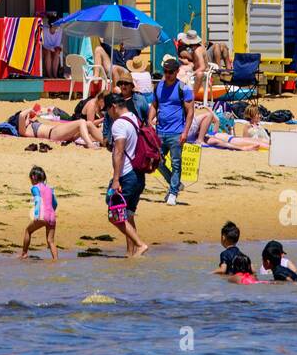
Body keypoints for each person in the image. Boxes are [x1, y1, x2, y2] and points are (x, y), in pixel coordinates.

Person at [106, 93, 149, 258]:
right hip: (139, 174)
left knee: (114, 214)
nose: (108, 115)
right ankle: (131, 254)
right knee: (128, 215)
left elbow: (119, 152)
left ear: (114, 107)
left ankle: (140, 244)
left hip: (126, 175)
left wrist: (116, 179)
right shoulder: (134, 118)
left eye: (108, 111)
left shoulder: (119, 124)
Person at [150, 55, 193, 207]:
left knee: (176, 164)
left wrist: (185, 132)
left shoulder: (184, 88)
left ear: (176, 72)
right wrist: (149, 122)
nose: (167, 74)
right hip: (160, 132)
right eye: (166, 71)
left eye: (170, 72)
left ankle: (173, 193)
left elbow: (190, 112)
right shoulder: (158, 86)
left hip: (176, 132)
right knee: (156, 161)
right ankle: (174, 183)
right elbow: (154, 105)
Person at [20, 165, 58, 260]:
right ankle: (55, 260)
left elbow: (37, 200)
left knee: (28, 231)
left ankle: (24, 254)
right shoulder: (50, 189)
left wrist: (36, 214)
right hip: (52, 216)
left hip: (42, 215)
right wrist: (51, 212)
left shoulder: (35, 188)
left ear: (33, 177)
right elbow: (55, 203)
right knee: (50, 241)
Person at [17, 108, 100, 146]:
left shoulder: (30, 125)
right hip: (54, 134)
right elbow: (21, 115)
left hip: (58, 132)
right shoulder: (25, 131)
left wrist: (30, 114)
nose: (28, 118)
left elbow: (24, 116)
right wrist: (29, 110)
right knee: (81, 122)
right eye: (26, 117)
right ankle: (90, 145)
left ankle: (106, 142)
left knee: (88, 123)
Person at [41, 11, 64, 78]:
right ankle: (50, 75)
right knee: (48, 52)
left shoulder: (60, 31)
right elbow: (43, 44)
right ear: (52, 24)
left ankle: (55, 74)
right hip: (45, 48)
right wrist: (51, 49)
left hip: (53, 48)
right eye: (58, 24)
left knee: (57, 52)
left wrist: (55, 49)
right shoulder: (44, 30)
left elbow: (57, 44)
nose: (59, 26)